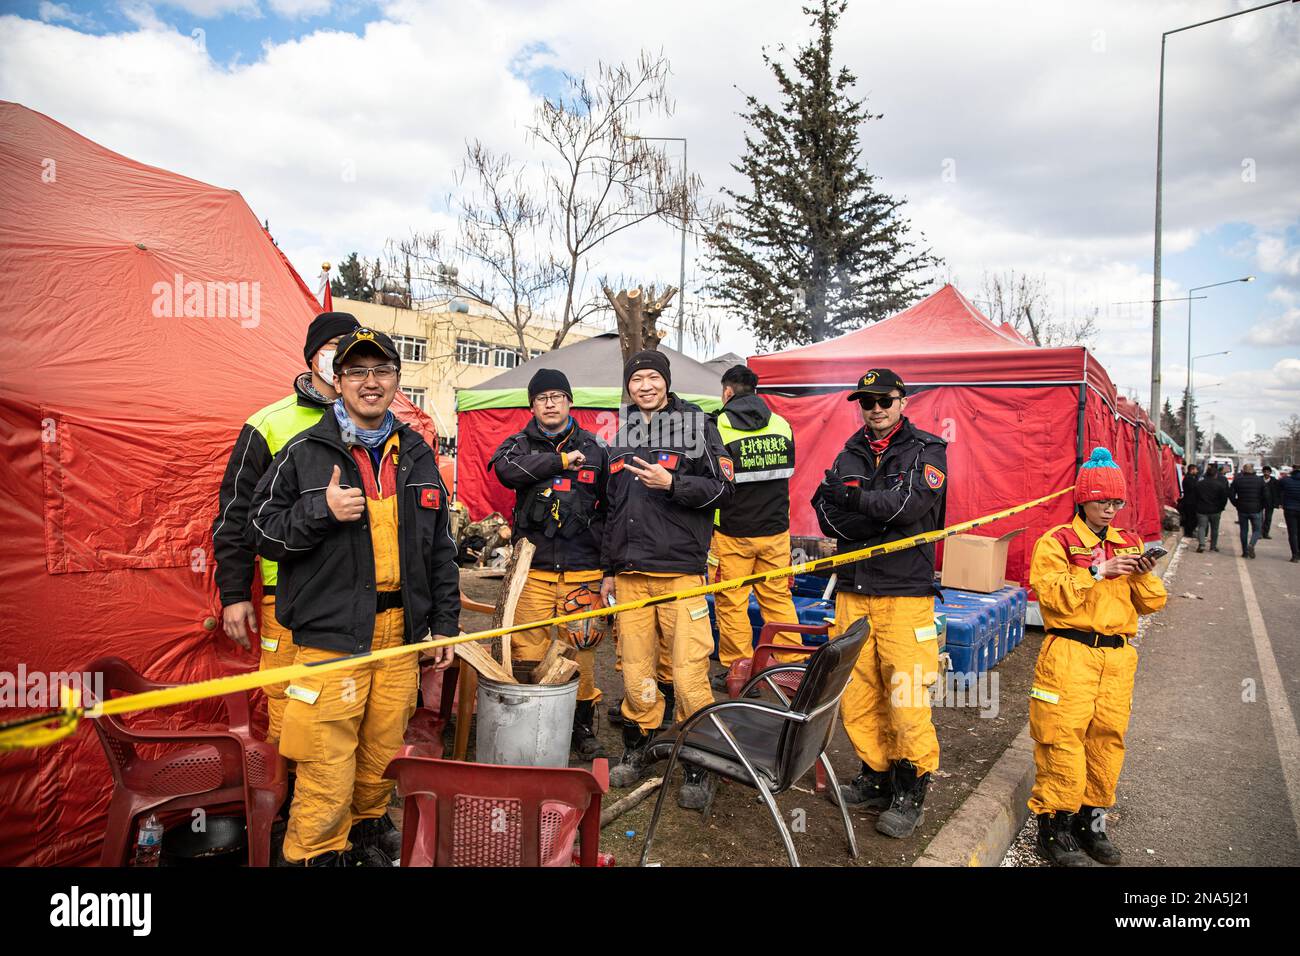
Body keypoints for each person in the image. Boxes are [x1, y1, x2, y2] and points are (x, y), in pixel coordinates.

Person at [250, 327, 460, 866]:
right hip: (331, 637)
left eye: (381, 371)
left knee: (380, 750)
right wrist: (319, 511)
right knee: (325, 759)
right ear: (338, 381)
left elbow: (440, 547)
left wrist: (444, 627)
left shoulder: (414, 451)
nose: (371, 382)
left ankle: (365, 832)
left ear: (396, 380)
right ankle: (315, 854)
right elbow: (261, 531)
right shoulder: (304, 451)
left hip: (399, 638)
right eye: (358, 372)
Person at [212, 310, 358, 745]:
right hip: (289, 596)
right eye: (336, 349)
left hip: (361, 598)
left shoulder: (378, 423)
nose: (345, 359)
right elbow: (235, 516)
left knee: (349, 707)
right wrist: (235, 595)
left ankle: (353, 810)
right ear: (315, 358)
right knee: (290, 706)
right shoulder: (269, 424)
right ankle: (284, 801)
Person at [812, 368, 947, 839]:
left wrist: (853, 500)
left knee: (907, 696)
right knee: (857, 692)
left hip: (906, 595)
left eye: (883, 400)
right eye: (866, 401)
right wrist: (869, 519)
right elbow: (827, 516)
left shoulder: (928, 451)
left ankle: (911, 789)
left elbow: (908, 508)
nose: (875, 409)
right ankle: (876, 774)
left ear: (902, 401)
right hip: (853, 591)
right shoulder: (849, 452)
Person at [600, 350, 734, 810]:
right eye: (636, 379)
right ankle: (639, 744)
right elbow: (610, 511)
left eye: (652, 377)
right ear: (629, 387)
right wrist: (607, 571)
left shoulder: (697, 428)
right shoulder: (621, 435)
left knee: (689, 672)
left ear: (666, 382)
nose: (644, 386)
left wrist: (673, 484)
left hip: (681, 575)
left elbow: (723, 488)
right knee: (635, 670)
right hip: (632, 576)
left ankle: (699, 760)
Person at [1027, 447, 1167, 866]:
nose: (1110, 509)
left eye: (1117, 502)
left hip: (1117, 658)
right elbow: (1050, 595)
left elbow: (1153, 603)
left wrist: (1141, 572)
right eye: (1103, 500)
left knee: (1107, 738)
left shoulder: (1129, 542)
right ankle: (1054, 827)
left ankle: (1092, 822)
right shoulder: (1057, 541)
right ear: (1083, 499)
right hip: (1070, 653)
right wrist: (1096, 572)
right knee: (1061, 736)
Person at [489, 368, 610, 759]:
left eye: (558, 395)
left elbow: (610, 508)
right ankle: (532, 722)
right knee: (528, 650)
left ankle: (580, 728)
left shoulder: (596, 449)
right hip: (535, 573)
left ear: (570, 402)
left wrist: (609, 569)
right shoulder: (517, 446)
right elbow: (507, 473)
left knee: (581, 652)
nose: (551, 402)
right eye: (543, 398)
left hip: (583, 572)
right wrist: (559, 461)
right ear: (533, 406)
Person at [709, 364, 800, 687]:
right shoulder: (781, 424)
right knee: (777, 598)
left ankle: (740, 670)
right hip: (776, 531)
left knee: (731, 601)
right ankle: (790, 669)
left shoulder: (718, 425)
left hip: (732, 532)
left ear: (728, 392)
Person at [1229, 463, 1266, 559]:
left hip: (1242, 509)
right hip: (1256, 509)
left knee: (1243, 530)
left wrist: (1236, 504)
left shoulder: (1237, 480)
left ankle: (1245, 551)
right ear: (1253, 470)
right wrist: (1262, 506)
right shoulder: (1259, 480)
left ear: (1243, 470)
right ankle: (1252, 544)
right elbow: (1265, 495)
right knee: (1257, 530)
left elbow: (1231, 494)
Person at [1194, 463, 1229, 553]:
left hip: (1202, 509)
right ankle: (1213, 546)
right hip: (1215, 510)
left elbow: (1195, 496)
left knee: (1202, 527)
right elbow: (1224, 498)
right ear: (1215, 475)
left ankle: (1201, 544)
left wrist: (1197, 506)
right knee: (1215, 529)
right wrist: (1221, 507)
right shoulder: (1220, 485)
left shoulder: (1199, 484)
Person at [1281, 466, 1300, 563]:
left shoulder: (1286, 480)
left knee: (1293, 533)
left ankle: (1295, 555)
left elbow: (1278, 489)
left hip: (1290, 509)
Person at [1178, 464, 1200, 538]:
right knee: (1191, 518)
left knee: (1191, 518)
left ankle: (1189, 532)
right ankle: (1188, 532)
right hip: (1190, 501)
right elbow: (1194, 488)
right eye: (1196, 470)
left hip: (1190, 501)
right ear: (1192, 470)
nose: (1197, 471)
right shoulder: (1189, 479)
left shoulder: (1191, 478)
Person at [1262, 465, 1281, 540]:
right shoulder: (1259, 480)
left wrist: (1278, 503)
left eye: (1268, 472)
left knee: (1268, 518)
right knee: (1260, 518)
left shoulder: (1274, 481)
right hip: (1260, 502)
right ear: (1263, 472)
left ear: (1270, 472)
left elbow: (1277, 493)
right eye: (1265, 471)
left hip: (1270, 503)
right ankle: (1259, 532)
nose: (1266, 473)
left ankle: (1266, 533)